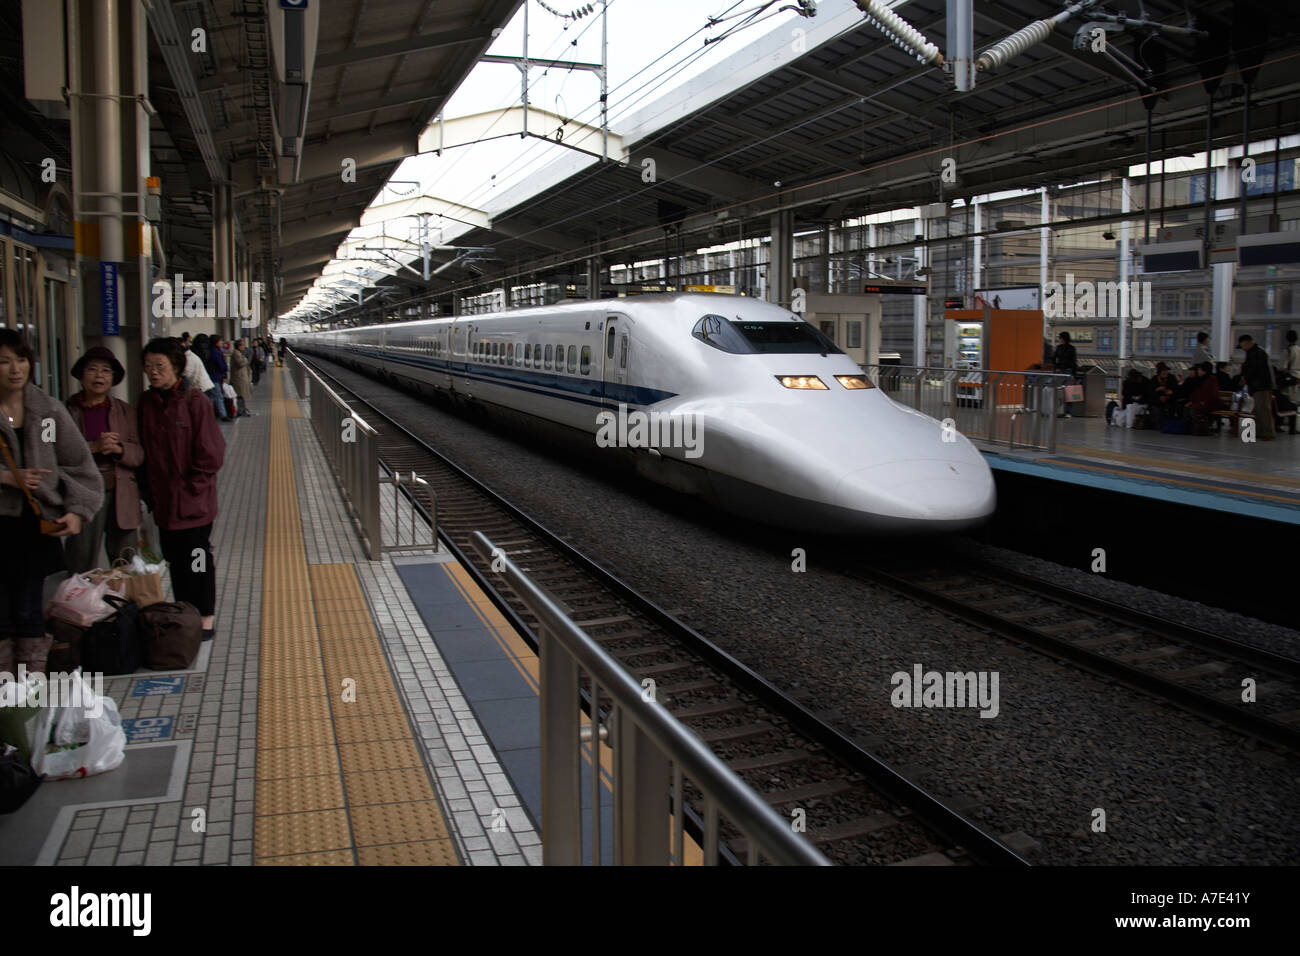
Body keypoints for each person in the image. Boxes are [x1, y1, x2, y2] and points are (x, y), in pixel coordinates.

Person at [0, 330, 103, 675]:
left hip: (32, 528)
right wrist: (6, 478)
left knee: (30, 613)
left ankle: (28, 700)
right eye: (4, 362)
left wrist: (78, 511)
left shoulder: (46, 410)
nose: (16, 369)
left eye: (22, 359)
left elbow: (76, 464)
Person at [138, 338, 225, 641]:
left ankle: (204, 616)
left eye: (159, 366)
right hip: (163, 502)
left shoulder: (195, 402)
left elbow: (211, 453)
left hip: (193, 503)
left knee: (198, 558)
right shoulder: (147, 404)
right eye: (148, 367)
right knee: (175, 558)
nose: (153, 372)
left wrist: (193, 487)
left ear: (176, 367)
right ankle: (184, 612)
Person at [64, 347, 143, 573]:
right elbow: (54, 454)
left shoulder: (126, 412)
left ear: (113, 378)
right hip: (83, 495)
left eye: (106, 371)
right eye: (92, 369)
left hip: (121, 495)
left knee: (127, 564)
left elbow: (139, 454)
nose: (99, 376)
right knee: (80, 562)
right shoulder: (64, 412)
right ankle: (81, 606)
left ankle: (124, 607)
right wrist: (93, 447)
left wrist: (119, 449)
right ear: (81, 375)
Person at [1238, 334, 1274, 441]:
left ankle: (1267, 432)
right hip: (1258, 385)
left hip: (1261, 385)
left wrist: (1245, 377)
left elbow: (1254, 369)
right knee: (1258, 409)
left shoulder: (1256, 353)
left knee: (1263, 409)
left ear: (1246, 343)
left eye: (1242, 346)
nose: (1243, 349)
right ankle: (1260, 431)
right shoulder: (1255, 352)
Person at [196, 333, 231, 422]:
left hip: (208, 377)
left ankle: (205, 414)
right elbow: (222, 366)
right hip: (215, 377)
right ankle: (223, 415)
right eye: (220, 341)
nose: (222, 342)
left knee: (210, 396)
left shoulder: (208, 351)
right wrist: (225, 370)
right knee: (218, 396)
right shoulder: (216, 352)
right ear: (216, 342)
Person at [1053, 331, 1079, 417]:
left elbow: (1074, 362)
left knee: (1069, 392)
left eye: (1060, 338)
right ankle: (1059, 410)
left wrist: (1074, 375)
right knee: (1060, 391)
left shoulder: (1071, 348)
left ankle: (1068, 411)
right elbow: (1054, 358)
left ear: (1063, 339)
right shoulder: (1059, 348)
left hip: (1068, 371)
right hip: (1061, 371)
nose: (1059, 339)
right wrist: (1056, 367)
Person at [229, 339, 253, 417]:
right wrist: (246, 359)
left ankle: (242, 410)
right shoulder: (236, 353)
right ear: (239, 346)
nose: (244, 347)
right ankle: (240, 411)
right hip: (238, 379)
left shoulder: (238, 353)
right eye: (242, 345)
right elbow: (241, 363)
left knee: (241, 395)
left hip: (240, 378)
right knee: (239, 395)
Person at [1285, 330, 1300, 405]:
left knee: (1288, 398)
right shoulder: (1298, 349)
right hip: (1298, 376)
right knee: (1295, 397)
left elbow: (1283, 366)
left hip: (1290, 377)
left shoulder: (1288, 350)